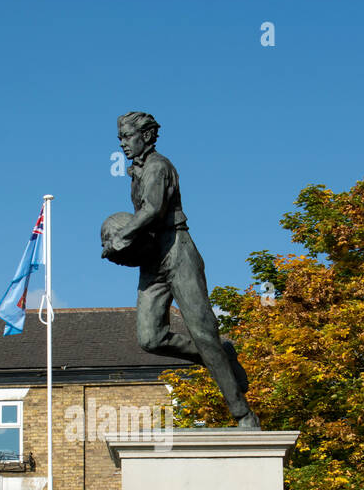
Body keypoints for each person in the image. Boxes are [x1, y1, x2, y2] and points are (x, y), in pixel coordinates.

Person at [103, 111, 260, 429]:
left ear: (146, 136)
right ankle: (218, 355)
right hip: (152, 259)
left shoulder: (159, 166)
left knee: (202, 332)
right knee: (150, 338)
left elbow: (153, 210)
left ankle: (243, 414)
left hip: (177, 252)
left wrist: (122, 235)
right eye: (119, 138)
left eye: (127, 137)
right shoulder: (136, 172)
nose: (122, 144)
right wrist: (120, 246)